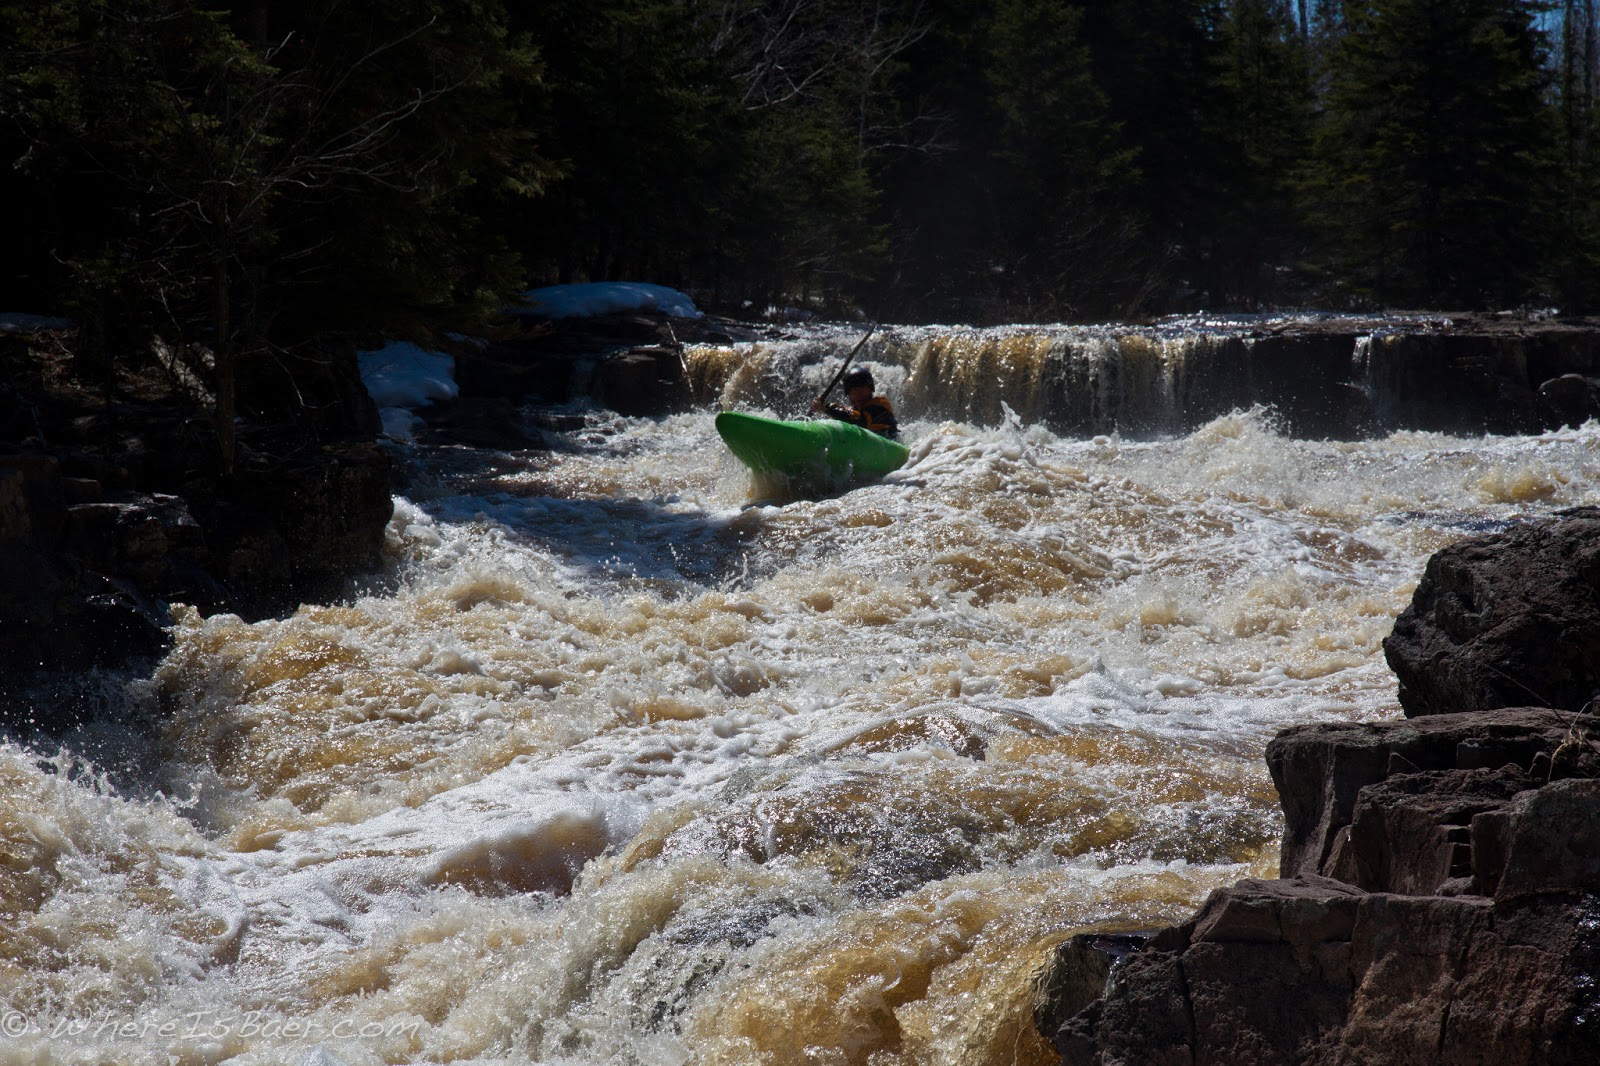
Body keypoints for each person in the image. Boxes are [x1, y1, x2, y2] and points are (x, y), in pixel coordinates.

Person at [811, 366, 899, 438]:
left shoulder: (881, 405)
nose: (859, 395)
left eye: (863, 390)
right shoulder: (855, 411)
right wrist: (820, 408)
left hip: (889, 443)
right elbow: (846, 417)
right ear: (848, 394)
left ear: (870, 390)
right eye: (854, 391)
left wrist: (826, 407)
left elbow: (859, 420)